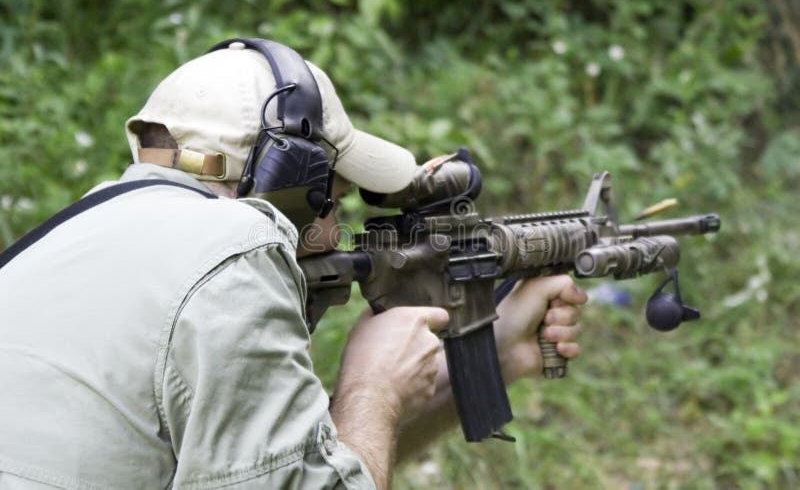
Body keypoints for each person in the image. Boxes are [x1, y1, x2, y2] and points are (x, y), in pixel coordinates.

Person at [0, 39, 586, 489]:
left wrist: (498, 355)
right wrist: (372, 387)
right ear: (289, 178)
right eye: (334, 194)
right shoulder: (239, 252)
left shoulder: (64, 236)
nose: (337, 229)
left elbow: (301, 473)